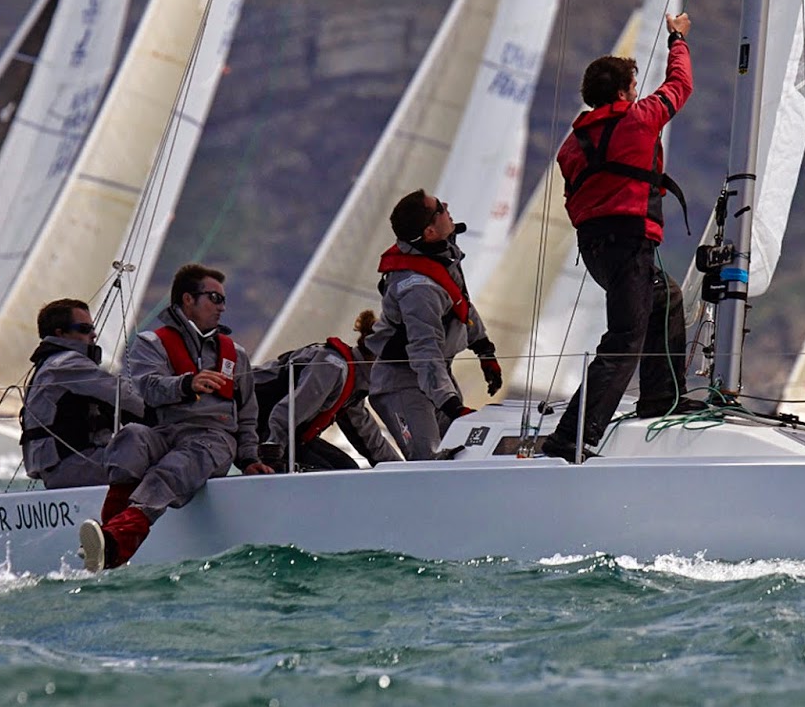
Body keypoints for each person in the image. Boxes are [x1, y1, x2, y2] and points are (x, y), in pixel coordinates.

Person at [540, 11, 704, 463]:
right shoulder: (639, 120)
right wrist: (677, 39)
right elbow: (679, 87)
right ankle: (573, 439)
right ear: (621, 93)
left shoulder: (572, 145)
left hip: (596, 251)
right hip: (628, 246)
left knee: (666, 297)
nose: (637, 92)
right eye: (633, 86)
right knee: (624, 340)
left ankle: (660, 399)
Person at [78, 264, 271, 572]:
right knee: (131, 438)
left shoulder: (236, 354)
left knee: (175, 467)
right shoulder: (151, 344)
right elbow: (147, 388)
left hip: (214, 438)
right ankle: (106, 537)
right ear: (187, 300)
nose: (222, 307)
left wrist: (248, 458)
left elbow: (248, 414)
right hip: (166, 431)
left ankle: (115, 544)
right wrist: (185, 383)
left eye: (223, 299)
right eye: (214, 298)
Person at [365, 189, 501, 461]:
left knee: (464, 456)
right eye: (439, 206)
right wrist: (451, 406)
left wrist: (485, 350)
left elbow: (460, 305)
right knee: (430, 462)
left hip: (434, 380)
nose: (447, 204)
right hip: (402, 386)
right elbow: (424, 351)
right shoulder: (417, 289)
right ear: (429, 232)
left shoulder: (440, 256)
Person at [20, 298, 148, 489]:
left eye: (92, 328)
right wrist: (167, 405)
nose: (93, 335)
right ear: (60, 333)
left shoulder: (49, 364)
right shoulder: (66, 364)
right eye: (84, 329)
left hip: (71, 466)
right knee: (163, 459)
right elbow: (126, 397)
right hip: (75, 467)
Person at [256, 310, 402, 471]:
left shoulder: (354, 384)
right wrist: (271, 451)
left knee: (347, 470)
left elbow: (367, 435)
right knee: (334, 475)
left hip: (288, 435)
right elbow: (289, 411)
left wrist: (400, 469)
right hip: (257, 429)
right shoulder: (333, 367)